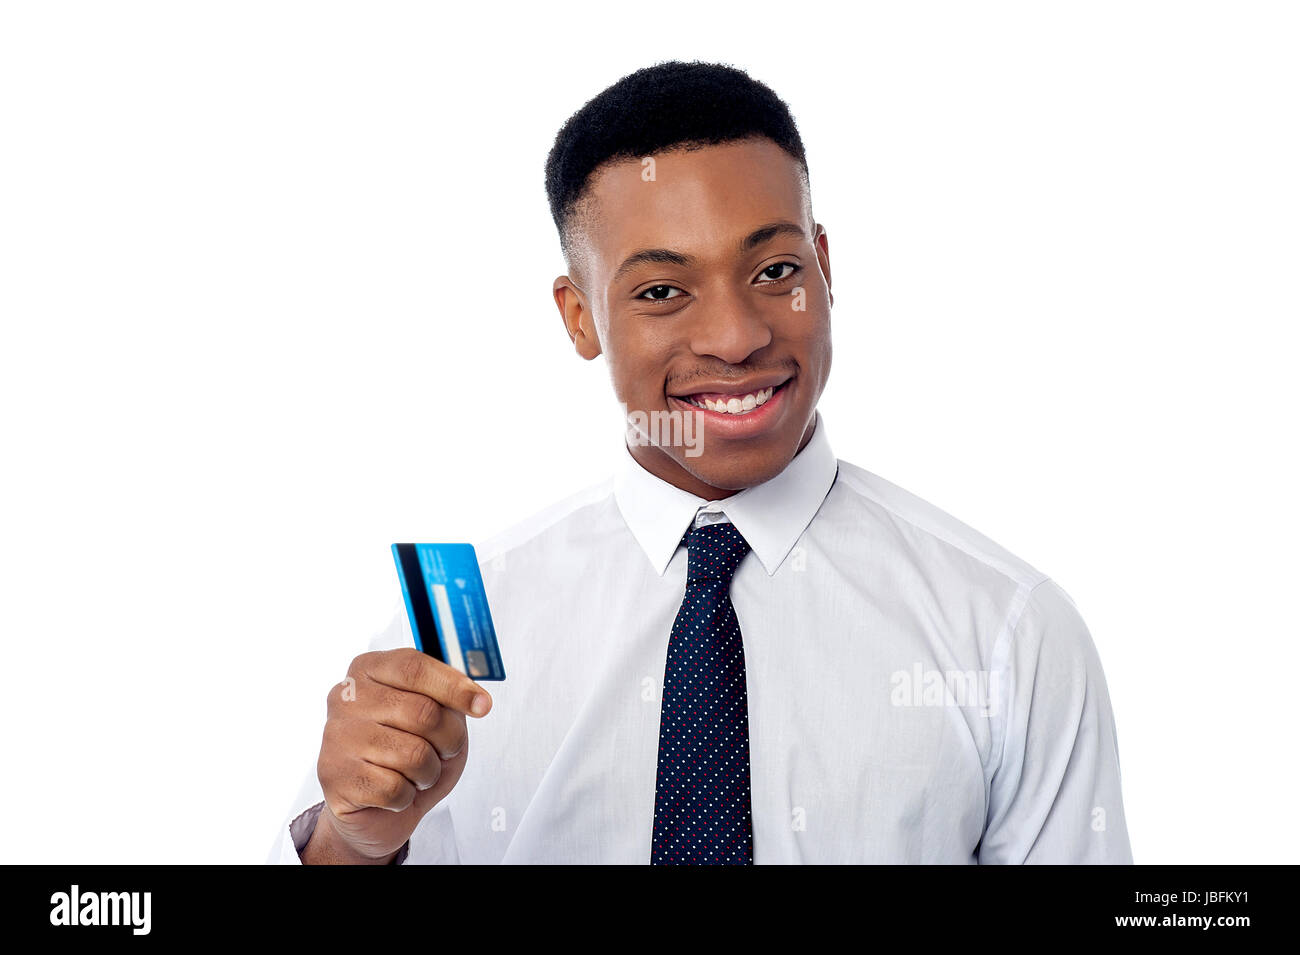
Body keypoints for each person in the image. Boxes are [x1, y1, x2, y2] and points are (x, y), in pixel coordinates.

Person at [270, 60, 1133, 865]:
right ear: (579, 318)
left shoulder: (1008, 631)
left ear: (824, 269)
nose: (736, 336)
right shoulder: (460, 625)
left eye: (775, 269)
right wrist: (352, 842)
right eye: (660, 291)